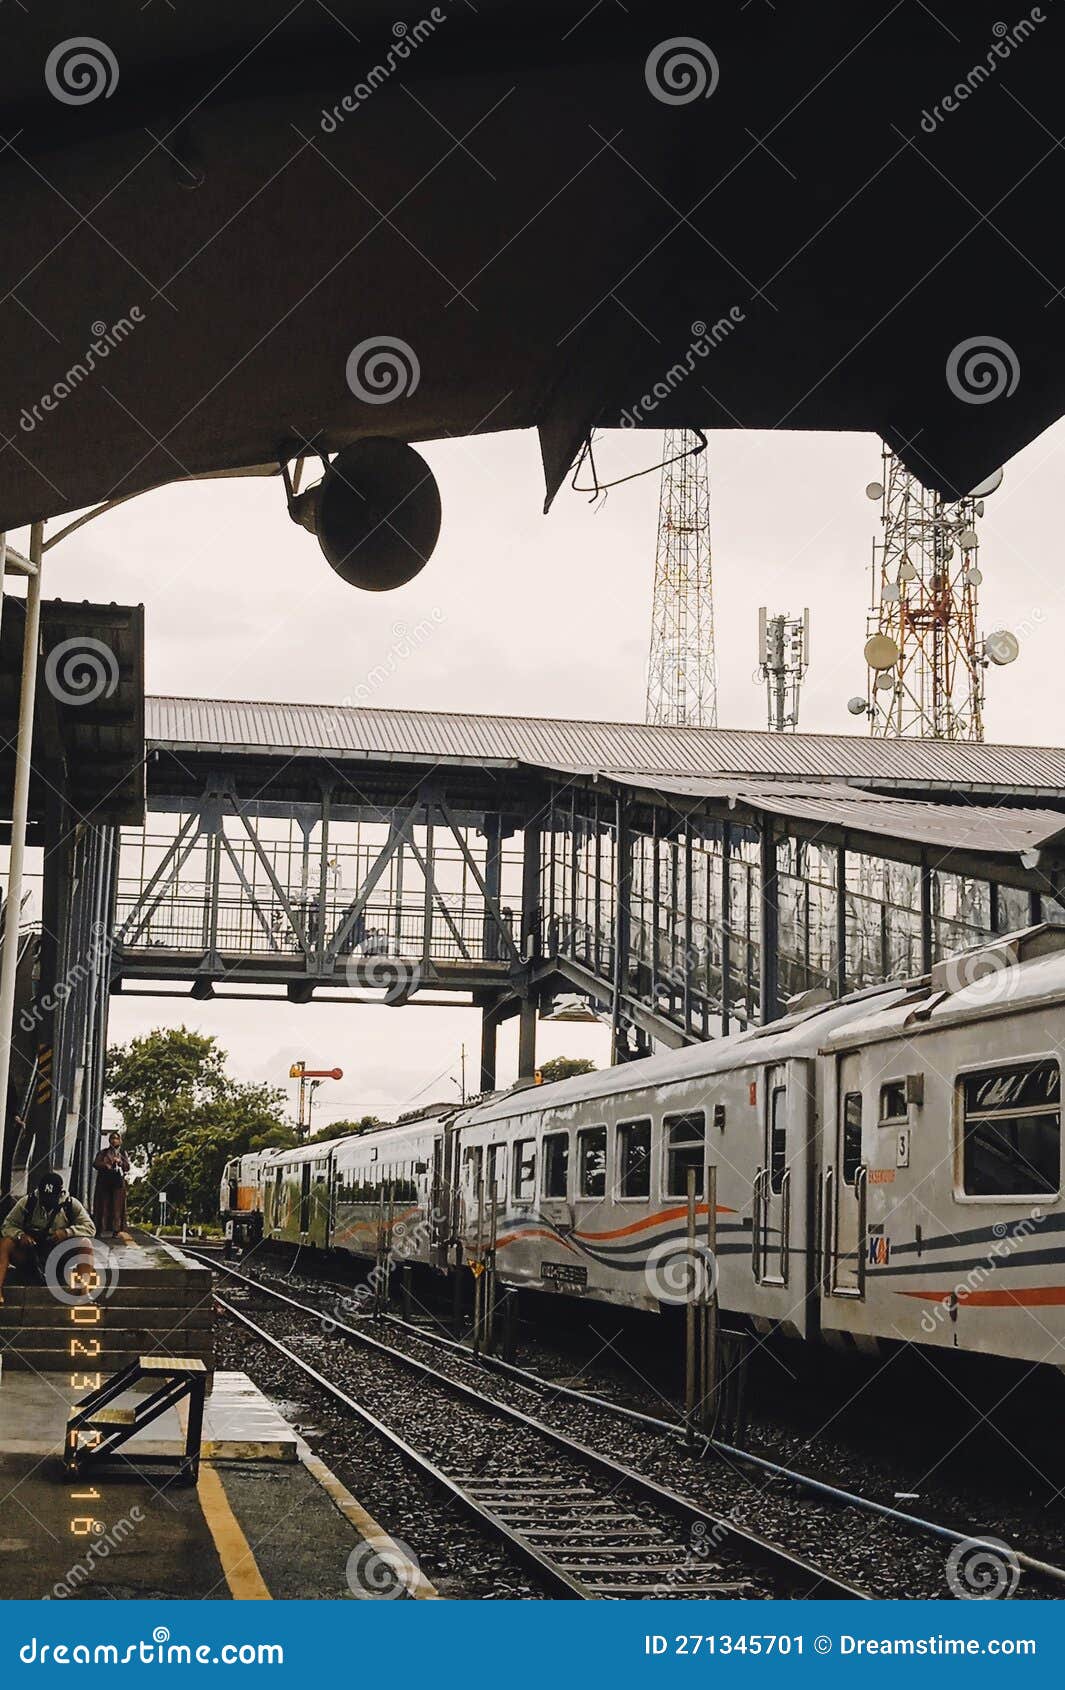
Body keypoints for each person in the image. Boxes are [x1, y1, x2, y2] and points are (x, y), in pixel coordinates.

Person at [0, 1170, 96, 1305]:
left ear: (60, 1193)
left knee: (85, 1244)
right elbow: (7, 1225)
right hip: (31, 1255)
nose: (47, 1202)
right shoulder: (27, 1202)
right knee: (5, 1243)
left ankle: (84, 1291)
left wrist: (67, 1232)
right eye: (44, 1197)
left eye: (51, 1198)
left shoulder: (71, 1204)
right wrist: (20, 1236)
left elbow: (90, 1228)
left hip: (58, 1255)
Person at [92, 1132, 131, 1240]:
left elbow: (127, 1167)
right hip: (105, 1182)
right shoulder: (103, 1153)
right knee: (102, 1206)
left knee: (117, 1207)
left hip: (117, 1183)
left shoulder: (122, 1153)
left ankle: (116, 1230)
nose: (114, 1141)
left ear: (120, 1141)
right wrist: (107, 1165)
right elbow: (96, 1163)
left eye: (117, 1139)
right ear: (109, 1141)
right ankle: (99, 1229)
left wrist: (120, 1162)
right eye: (112, 1139)